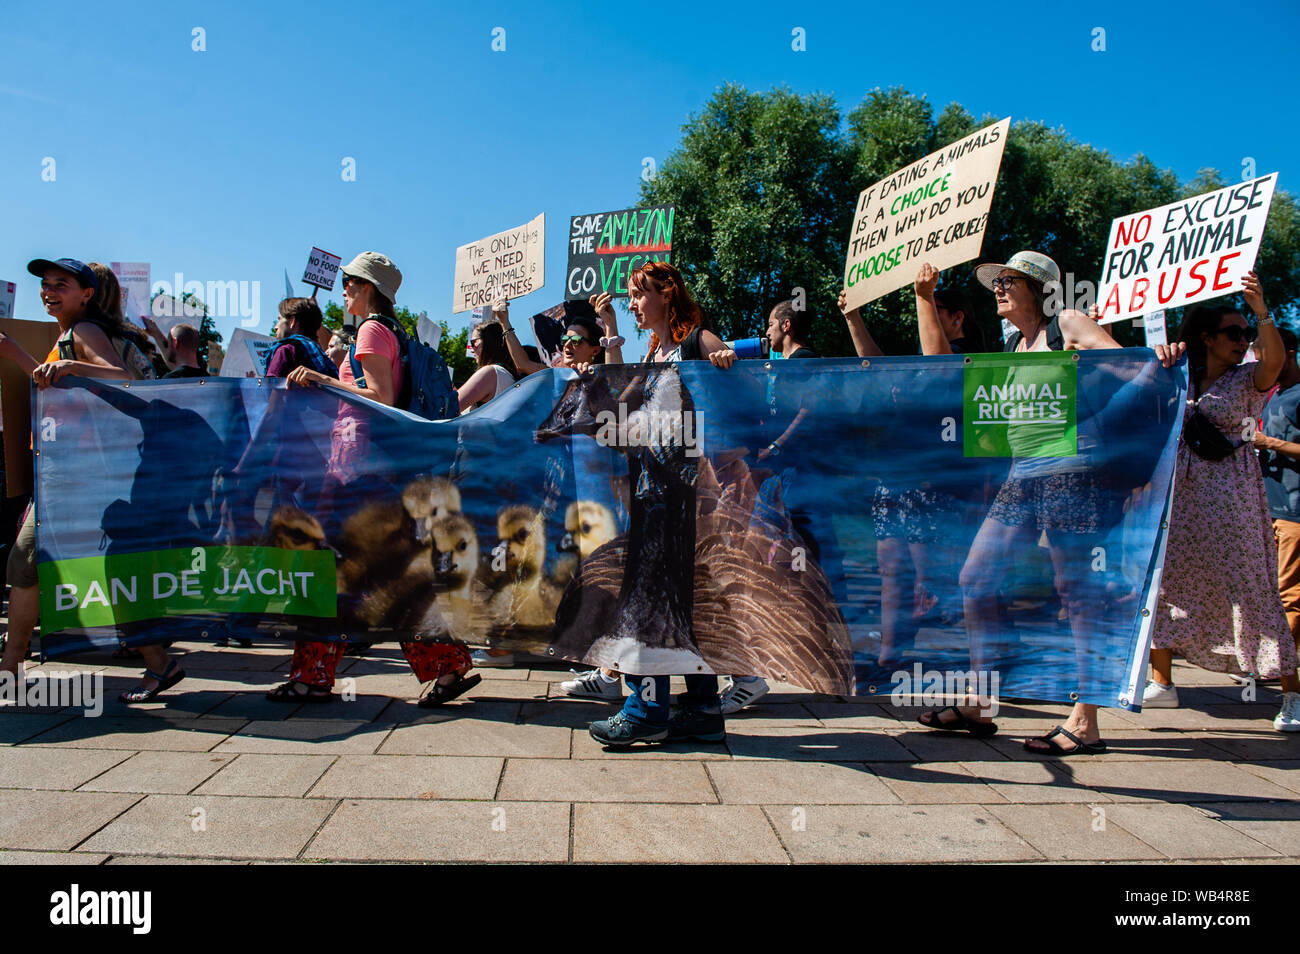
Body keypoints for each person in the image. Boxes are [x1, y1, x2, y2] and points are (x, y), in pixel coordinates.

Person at [912, 251, 1133, 755]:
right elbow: (944, 368)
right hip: (1024, 475)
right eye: (998, 281)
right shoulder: (1015, 344)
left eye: (1010, 280)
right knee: (976, 579)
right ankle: (978, 700)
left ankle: (1086, 720)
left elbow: (1128, 364)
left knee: (1076, 593)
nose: (999, 288)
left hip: (1073, 472)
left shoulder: (1069, 325)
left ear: (1040, 290)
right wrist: (924, 297)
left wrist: (1162, 360)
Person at [269, 251, 479, 707]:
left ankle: (313, 676)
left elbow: (380, 397)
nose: (344, 290)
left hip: (357, 472)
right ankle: (447, 665)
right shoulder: (393, 333)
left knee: (326, 573)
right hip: (378, 471)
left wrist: (322, 382)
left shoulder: (370, 330)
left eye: (350, 283)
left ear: (368, 288)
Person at [585, 261, 737, 746]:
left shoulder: (694, 343)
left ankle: (647, 707)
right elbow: (625, 405)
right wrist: (604, 345)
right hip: (653, 493)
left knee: (651, 598)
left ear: (668, 294)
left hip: (678, 497)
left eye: (639, 293)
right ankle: (701, 708)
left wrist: (725, 359)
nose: (633, 303)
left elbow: (732, 366)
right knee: (675, 597)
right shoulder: (654, 353)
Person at [1147, 274, 1298, 732]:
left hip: (1231, 503)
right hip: (1180, 501)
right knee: (1167, 587)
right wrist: (1161, 356)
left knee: (1253, 592)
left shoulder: (1244, 381)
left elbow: (1273, 361)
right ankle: (1162, 682)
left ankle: (1292, 695)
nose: (1243, 341)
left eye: (1245, 334)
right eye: (1234, 333)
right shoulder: (1179, 374)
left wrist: (1261, 310)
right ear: (1206, 337)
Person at [0, 259, 141, 684]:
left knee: (27, 563)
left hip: (77, 474)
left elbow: (122, 377)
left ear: (87, 294)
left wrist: (66, 364)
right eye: (45, 285)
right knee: (81, 567)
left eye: (61, 284)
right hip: (60, 471)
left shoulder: (84, 332)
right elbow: (55, 386)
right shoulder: (64, 335)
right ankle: (159, 661)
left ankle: (11, 667)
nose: (49, 291)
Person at [1254, 326, 1300, 730]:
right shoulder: (1270, 395)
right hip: (1264, 506)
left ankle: (1292, 689)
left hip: (1293, 509)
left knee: (1289, 597)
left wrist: (1269, 444)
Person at [265, 298, 336, 378]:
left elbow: (272, 388)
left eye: (280, 319)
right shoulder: (320, 355)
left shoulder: (285, 350)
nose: (276, 327)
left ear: (292, 321)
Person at [456, 319, 518, 410]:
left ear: (488, 341)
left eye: (473, 343)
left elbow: (449, 407)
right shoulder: (505, 374)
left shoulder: (490, 372)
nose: (472, 349)